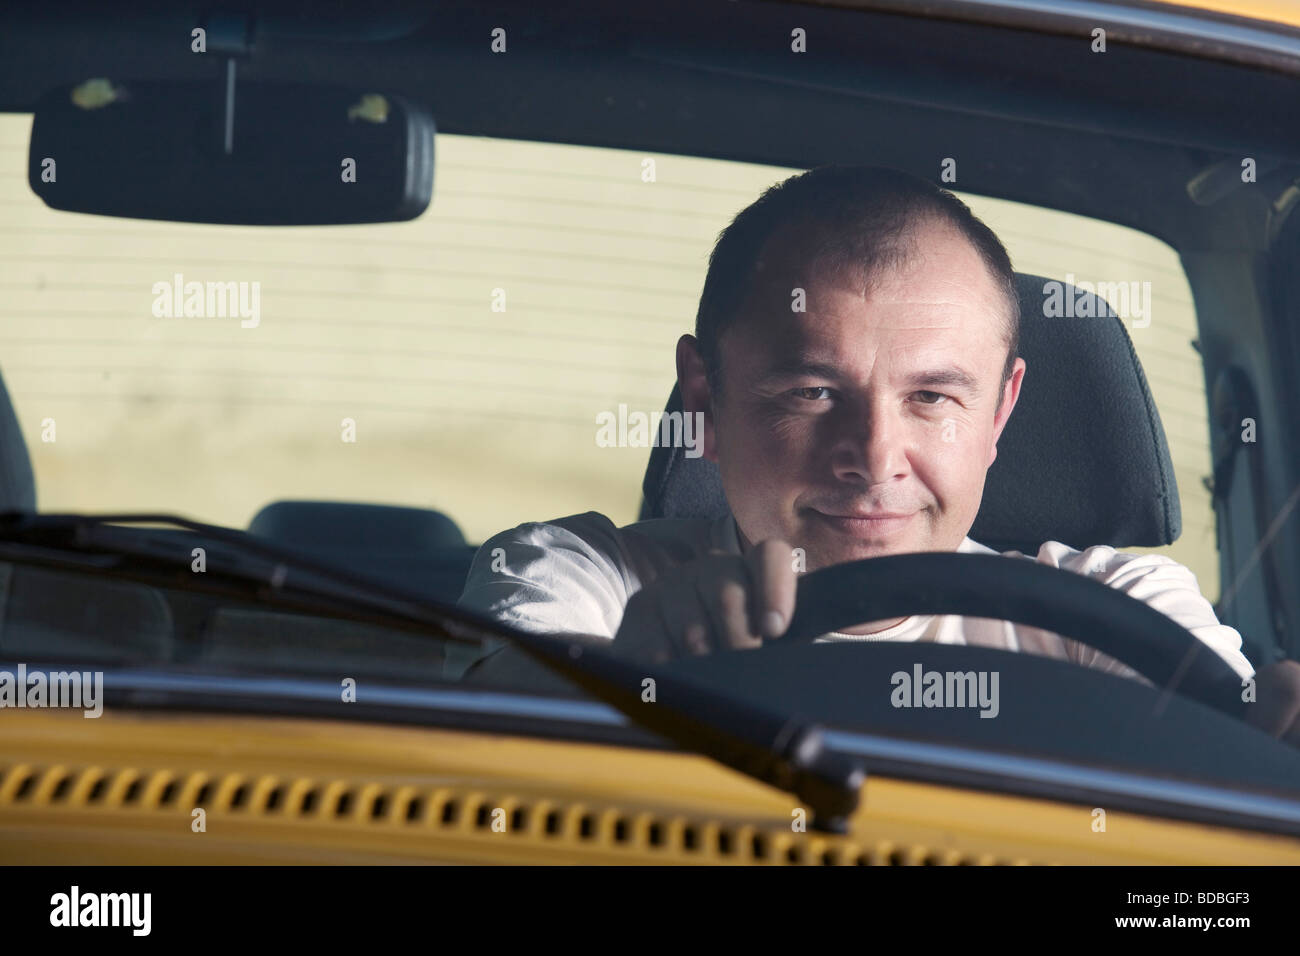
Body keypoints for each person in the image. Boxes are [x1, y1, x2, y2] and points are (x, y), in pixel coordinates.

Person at [458, 165, 1300, 745]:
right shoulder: (584, 579)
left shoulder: (1119, 612)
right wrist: (623, 682)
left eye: (931, 397)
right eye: (812, 393)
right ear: (704, 399)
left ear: (1000, 411)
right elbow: (476, 754)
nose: (872, 457)